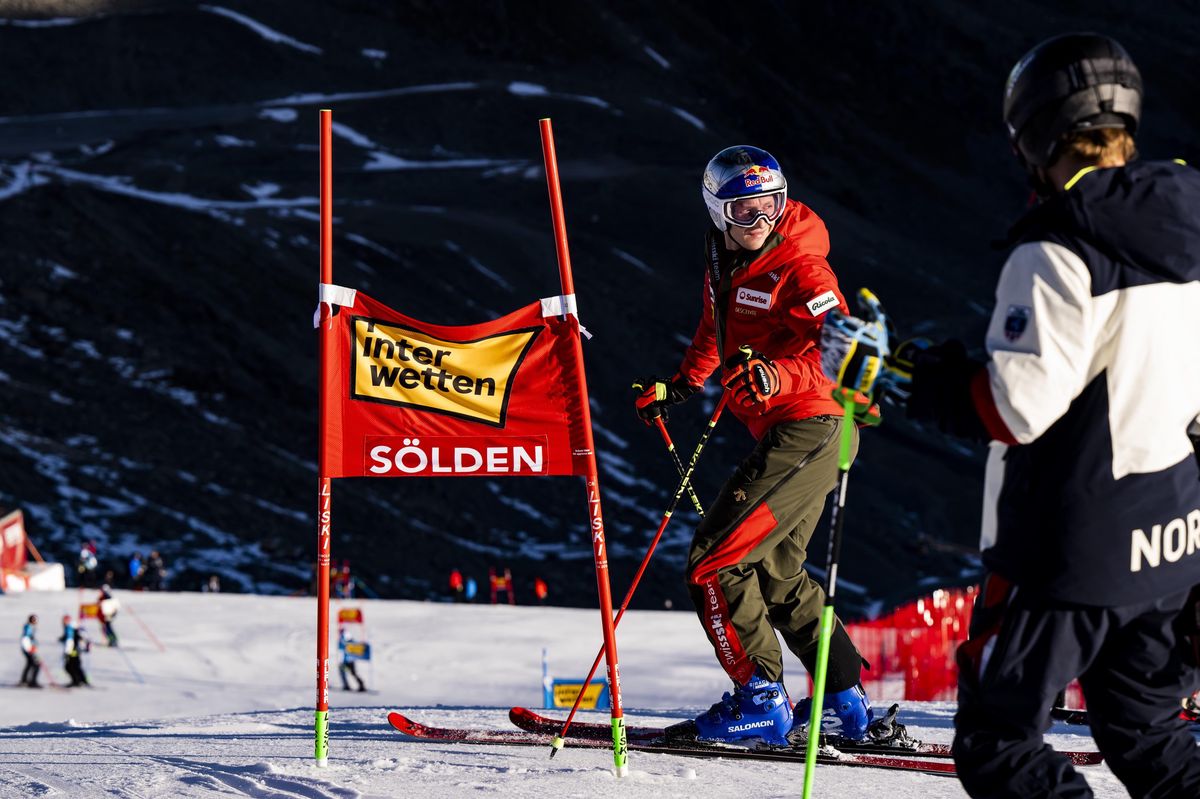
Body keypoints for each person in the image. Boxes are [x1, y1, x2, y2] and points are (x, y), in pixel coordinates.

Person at [826, 33, 1200, 797]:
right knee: (1146, 727)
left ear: (1032, 134)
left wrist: (897, 374)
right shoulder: (1187, 229)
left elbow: (1013, 407)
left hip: (1070, 552)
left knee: (999, 742)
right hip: (1174, 538)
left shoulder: (1061, 247)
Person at [632, 145, 883, 748]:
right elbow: (716, 327)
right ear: (718, 213)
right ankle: (846, 704)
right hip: (799, 429)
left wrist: (779, 377)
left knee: (714, 560)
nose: (761, 220)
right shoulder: (727, 260)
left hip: (811, 422)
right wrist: (685, 384)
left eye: (770, 204)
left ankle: (760, 699)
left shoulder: (802, 267)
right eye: (745, 210)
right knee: (777, 571)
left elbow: (840, 345)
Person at [59, 615, 89, 687]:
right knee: (76, 666)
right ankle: (82, 680)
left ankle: (76, 681)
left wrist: (67, 652)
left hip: (73, 651)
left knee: (69, 666)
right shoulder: (74, 627)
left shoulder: (69, 628)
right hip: (76, 650)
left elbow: (70, 641)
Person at [18, 614, 40, 688]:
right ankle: (33, 682)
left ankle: (24, 680)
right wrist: (30, 649)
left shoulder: (30, 627)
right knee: (36, 665)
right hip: (28, 650)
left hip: (29, 649)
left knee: (30, 664)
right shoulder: (28, 627)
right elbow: (25, 639)